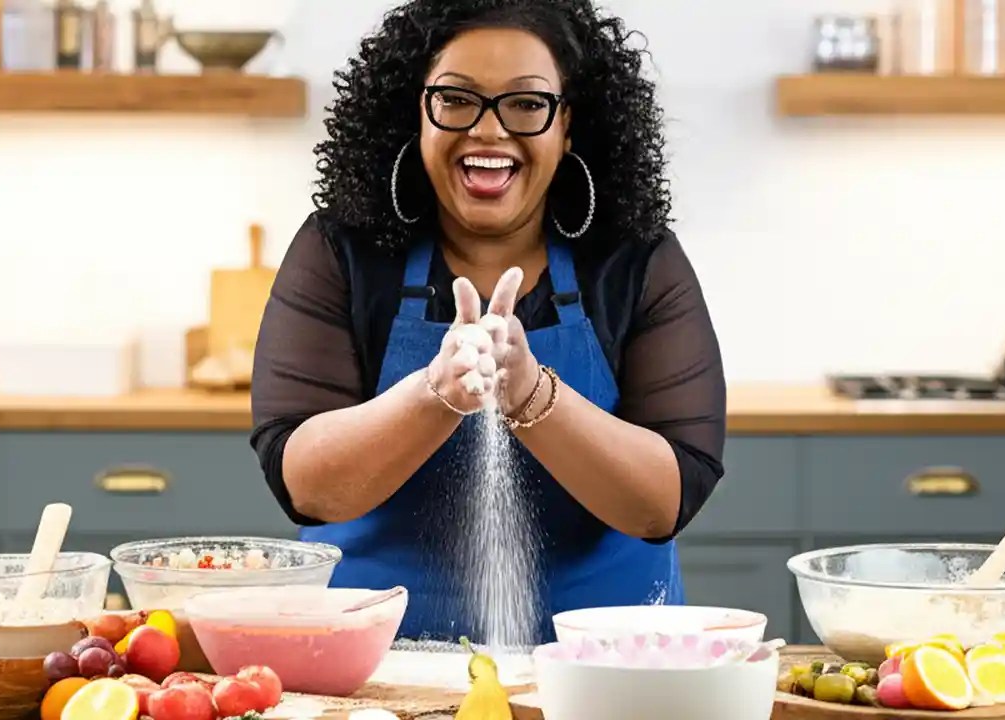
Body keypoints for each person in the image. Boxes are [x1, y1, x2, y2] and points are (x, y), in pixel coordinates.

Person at [250, 0, 726, 645]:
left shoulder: (633, 257)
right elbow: (307, 487)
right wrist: (436, 394)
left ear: (568, 124)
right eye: (456, 99)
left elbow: (663, 502)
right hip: (375, 669)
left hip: (609, 666)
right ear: (416, 111)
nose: (489, 131)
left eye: (527, 104)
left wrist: (531, 395)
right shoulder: (345, 251)